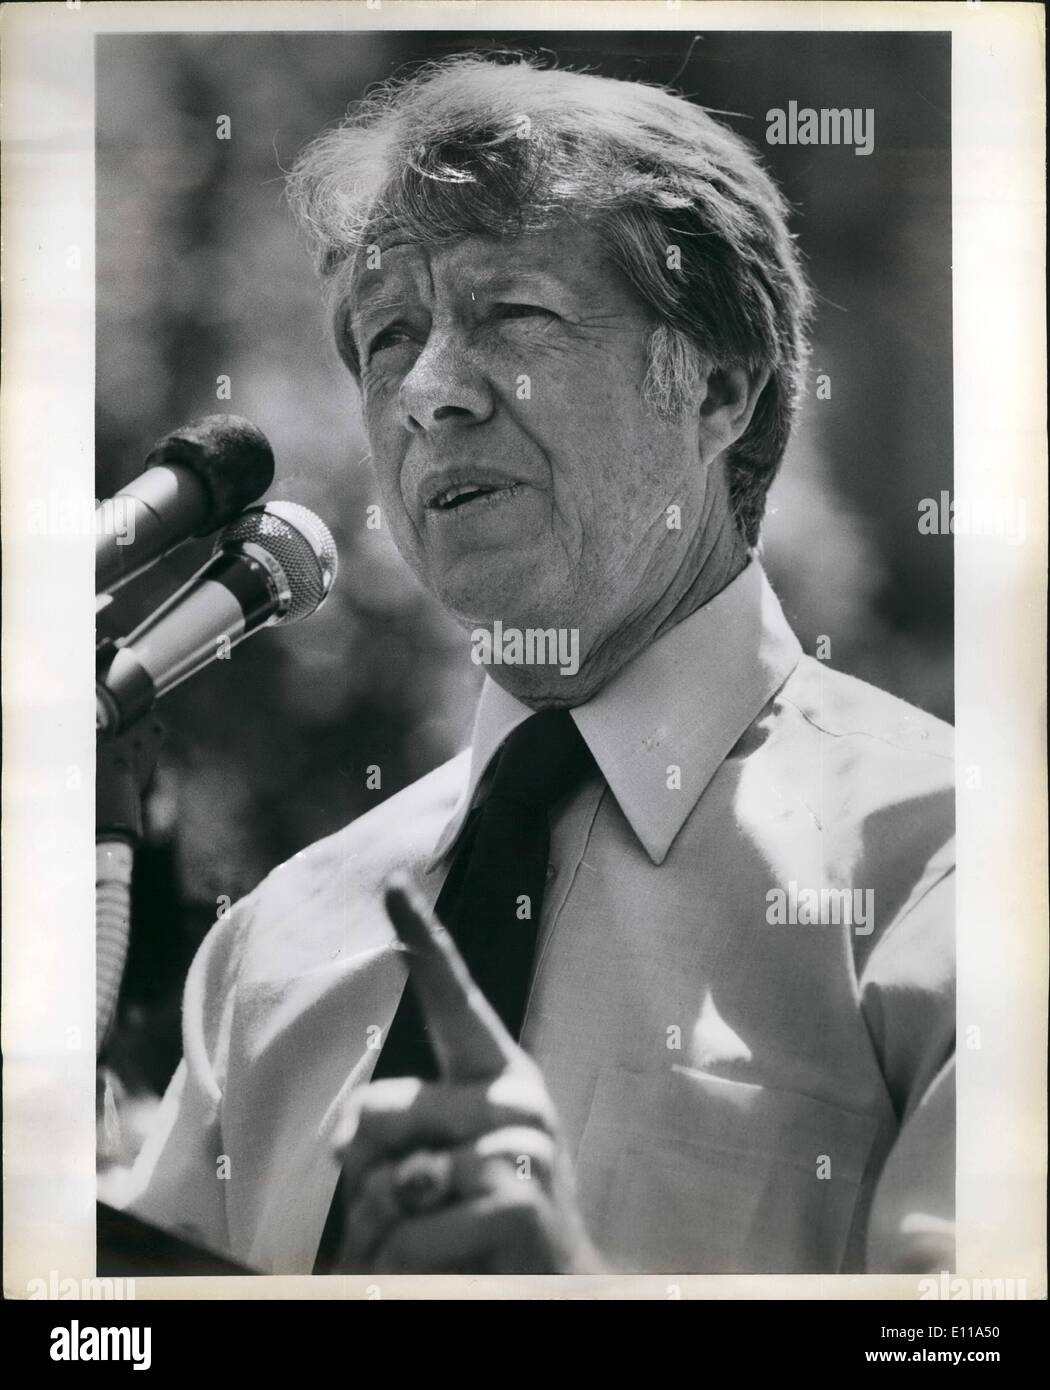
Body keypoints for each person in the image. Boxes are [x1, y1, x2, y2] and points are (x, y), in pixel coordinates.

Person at [124, 55, 954, 1276]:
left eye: (512, 314)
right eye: (387, 336)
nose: (428, 393)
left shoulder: (954, 864)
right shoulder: (268, 946)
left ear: (720, 384)